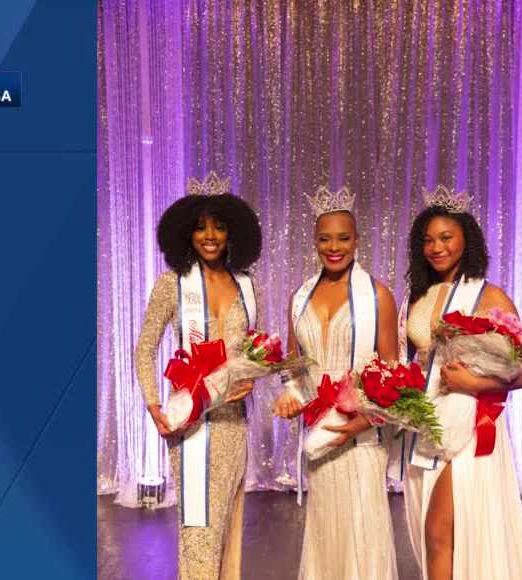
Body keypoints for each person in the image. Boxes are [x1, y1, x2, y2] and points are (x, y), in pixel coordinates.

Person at [397, 187, 522, 580]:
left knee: (439, 532)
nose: (436, 247)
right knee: (431, 536)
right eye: (428, 240)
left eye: (446, 237)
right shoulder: (420, 297)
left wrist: (472, 382)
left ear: (466, 239)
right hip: (425, 423)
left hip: (469, 426)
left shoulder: (489, 294)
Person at [135, 173, 262, 580]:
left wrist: (255, 374)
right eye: (200, 226)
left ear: (233, 233)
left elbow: (252, 351)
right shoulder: (172, 285)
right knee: (198, 534)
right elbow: (144, 350)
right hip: (191, 425)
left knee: (225, 529)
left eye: (219, 226)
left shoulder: (246, 285)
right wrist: (154, 405)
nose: (210, 235)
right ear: (185, 234)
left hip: (233, 425)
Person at [272, 186, 399, 580]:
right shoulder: (299, 297)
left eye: (343, 237)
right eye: (325, 238)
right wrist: (290, 396)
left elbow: (394, 377)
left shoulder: (377, 295)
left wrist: (358, 424)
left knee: (363, 534)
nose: (334, 246)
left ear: (357, 240)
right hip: (321, 436)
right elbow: (292, 368)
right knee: (328, 531)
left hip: (361, 436)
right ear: (314, 241)